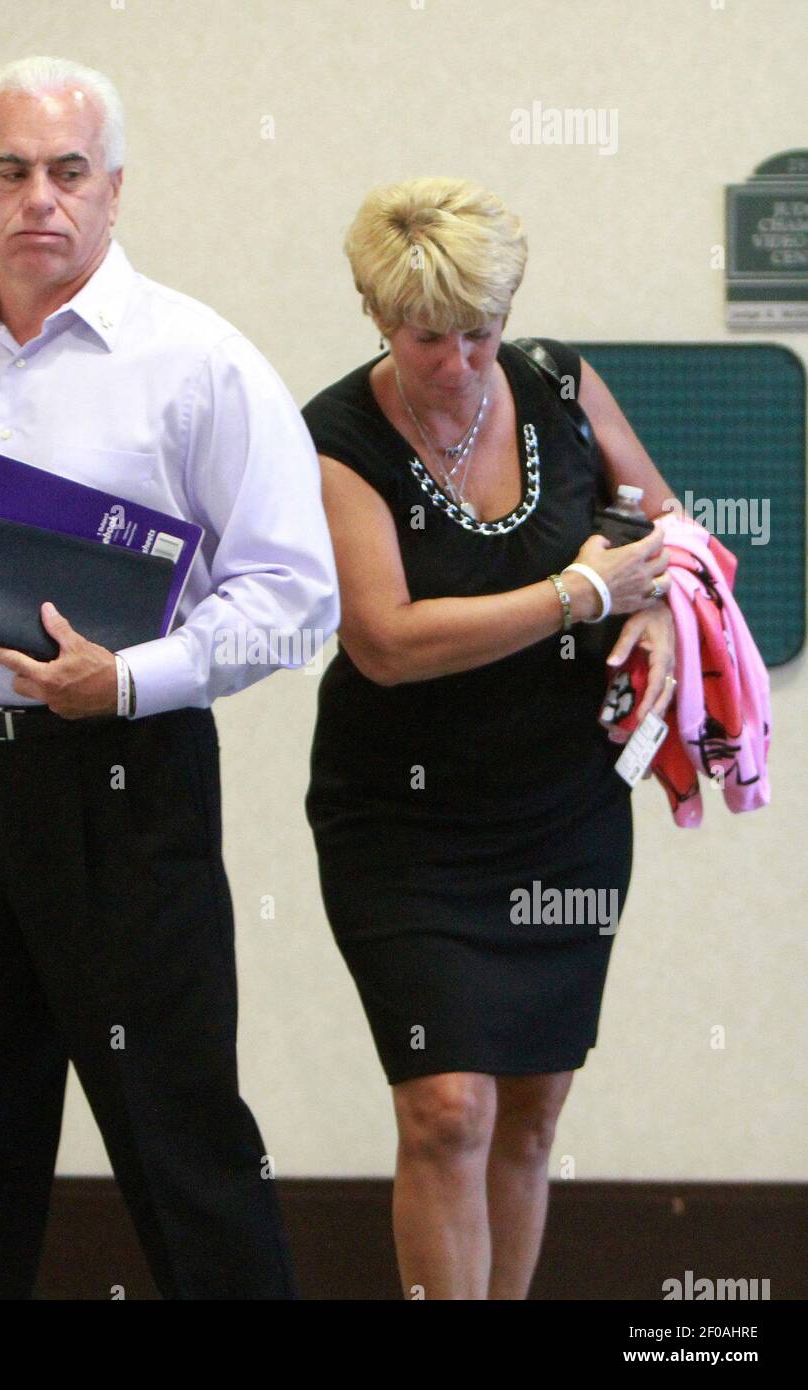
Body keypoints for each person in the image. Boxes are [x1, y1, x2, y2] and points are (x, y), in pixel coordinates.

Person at [0, 55, 338, 1300]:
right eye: (13, 170)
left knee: (178, 1132)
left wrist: (136, 676)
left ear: (114, 189)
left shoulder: (199, 363)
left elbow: (296, 594)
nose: (42, 196)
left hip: (123, 783)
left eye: (69, 170)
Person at [301, 177, 677, 1300]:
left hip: (564, 808)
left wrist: (650, 599)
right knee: (447, 1106)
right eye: (431, 338)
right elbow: (388, 640)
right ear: (378, 313)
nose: (462, 362)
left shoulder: (557, 380)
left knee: (532, 1107)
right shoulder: (335, 437)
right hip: (405, 821)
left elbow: (661, 523)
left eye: (483, 332)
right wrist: (578, 593)